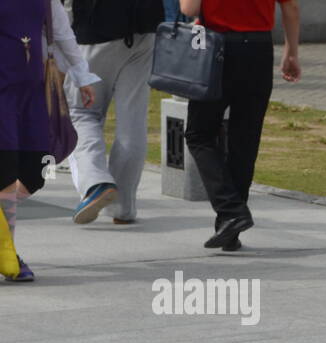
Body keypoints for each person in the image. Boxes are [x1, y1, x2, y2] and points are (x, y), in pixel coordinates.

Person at [179, 0, 301, 251]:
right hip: (258, 48)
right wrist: (291, 52)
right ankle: (230, 227)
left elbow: (189, 9)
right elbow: (291, 8)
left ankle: (231, 211)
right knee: (245, 138)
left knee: (199, 134)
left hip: (217, 47)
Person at [1, 0, 98, 283]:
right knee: (5, 172)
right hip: (2, 95)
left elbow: (62, 32)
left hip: (33, 94)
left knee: (38, 171)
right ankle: (7, 254)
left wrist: (82, 75)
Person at [66, 0, 164, 227]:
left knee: (81, 112)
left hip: (95, 27)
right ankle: (123, 207)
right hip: (144, 27)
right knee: (133, 119)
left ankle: (95, 181)